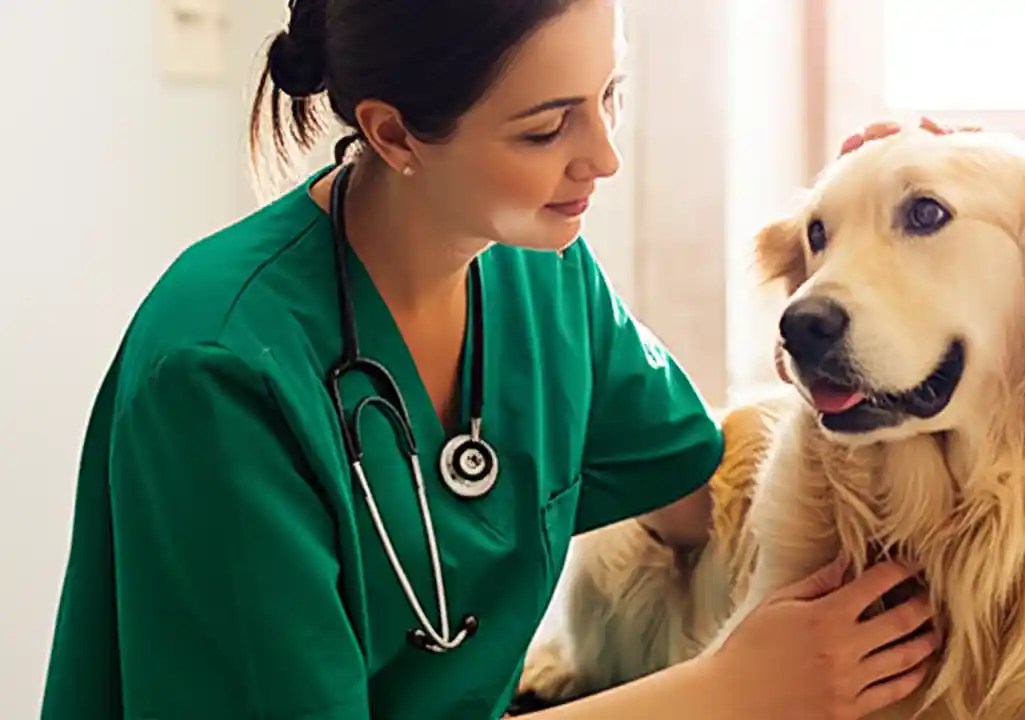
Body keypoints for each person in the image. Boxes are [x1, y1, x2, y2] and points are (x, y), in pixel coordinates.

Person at [40, 1, 941, 718]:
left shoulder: (540, 279)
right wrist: (728, 693)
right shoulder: (219, 373)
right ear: (394, 137)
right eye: (547, 130)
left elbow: (711, 502)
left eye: (610, 96)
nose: (606, 156)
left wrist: (891, 236)